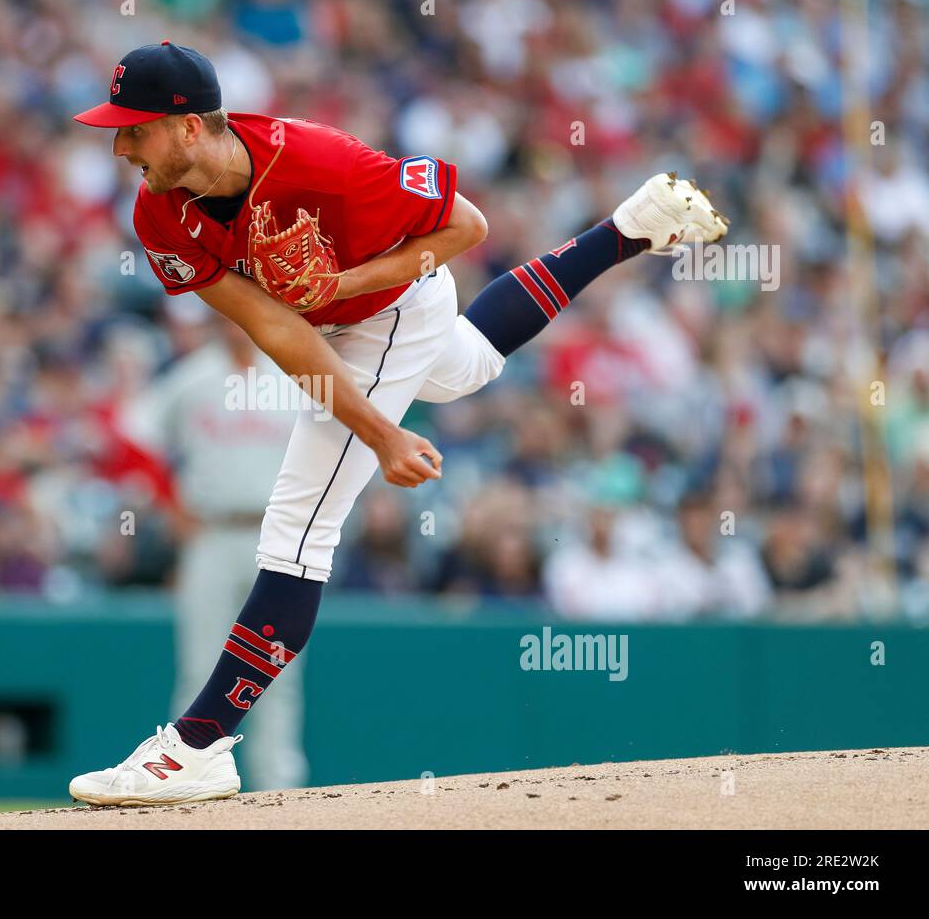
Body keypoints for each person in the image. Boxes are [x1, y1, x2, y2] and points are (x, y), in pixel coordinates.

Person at [67, 41, 728, 805]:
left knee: (298, 530)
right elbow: (278, 330)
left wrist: (348, 298)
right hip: (333, 330)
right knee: (468, 367)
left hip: (393, 307)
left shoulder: (323, 162)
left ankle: (199, 745)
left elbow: (467, 228)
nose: (119, 146)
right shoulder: (159, 212)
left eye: (134, 128)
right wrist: (370, 408)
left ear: (187, 127)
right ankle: (623, 231)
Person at [123, 314, 308, 790]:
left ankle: (280, 789)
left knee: (278, 671)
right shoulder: (193, 377)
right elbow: (133, 436)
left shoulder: (291, 372)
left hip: (278, 538)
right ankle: (180, 779)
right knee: (200, 666)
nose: (238, 324)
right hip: (212, 531)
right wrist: (168, 504)